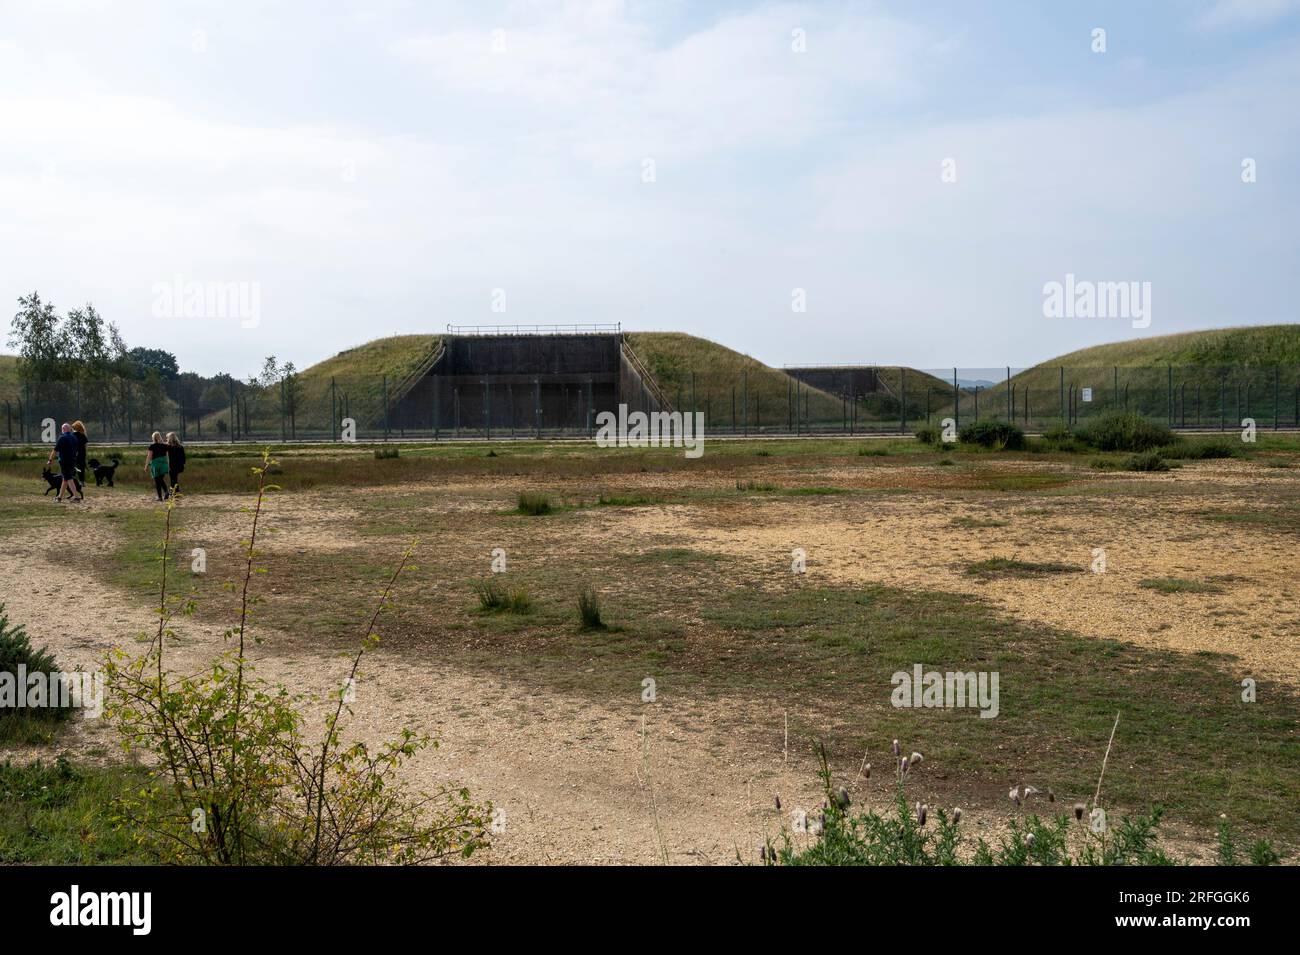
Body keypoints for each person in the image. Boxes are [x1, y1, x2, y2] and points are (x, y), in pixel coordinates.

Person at [46, 423, 80, 502]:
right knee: (65, 478)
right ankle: (59, 497)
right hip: (72, 460)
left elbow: (55, 450)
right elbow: (77, 451)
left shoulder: (62, 438)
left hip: (64, 461)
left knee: (68, 478)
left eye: (62, 429)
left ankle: (76, 497)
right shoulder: (74, 437)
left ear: (64, 429)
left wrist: (50, 460)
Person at [144, 431, 171, 501]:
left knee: (157, 480)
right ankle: (166, 492)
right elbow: (167, 456)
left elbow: (149, 457)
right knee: (160, 479)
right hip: (164, 464)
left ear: (153, 438)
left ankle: (160, 496)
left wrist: (146, 466)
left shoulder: (152, 446)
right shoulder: (165, 446)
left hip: (156, 464)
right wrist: (168, 465)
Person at [70, 420, 88, 500]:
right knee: (81, 467)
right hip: (82, 453)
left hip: (75, 453)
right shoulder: (83, 435)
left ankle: (73, 480)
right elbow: (85, 445)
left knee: (74, 466)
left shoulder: (73, 435)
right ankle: (82, 481)